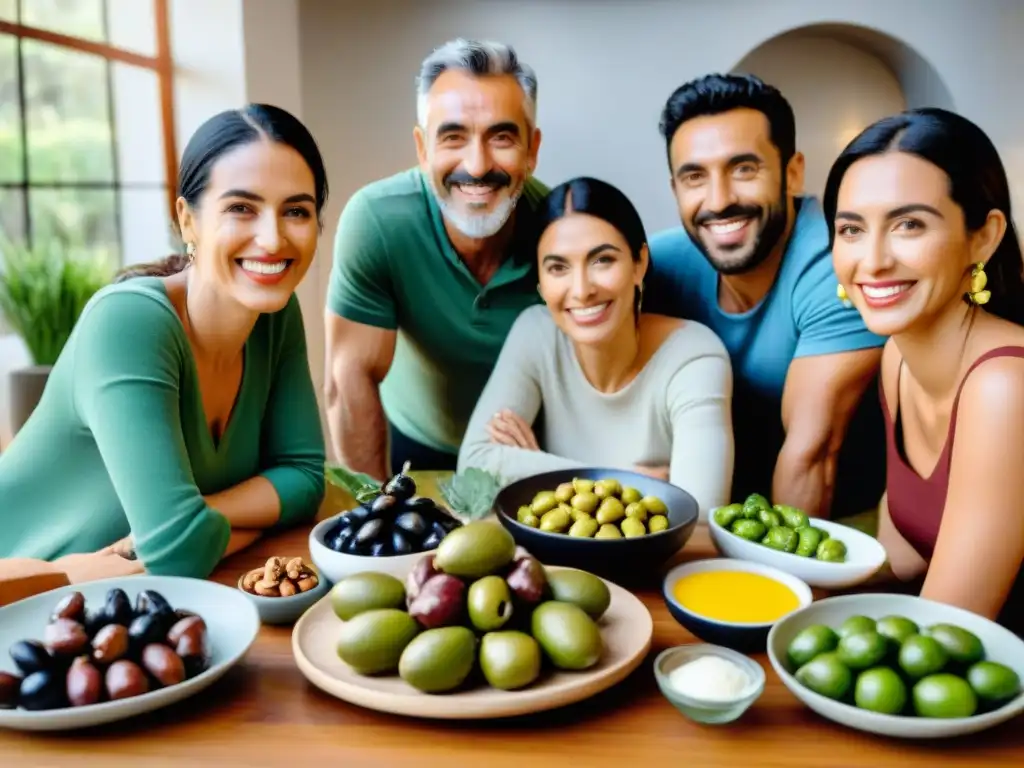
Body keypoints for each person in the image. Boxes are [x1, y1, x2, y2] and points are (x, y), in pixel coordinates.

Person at [0, 104, 328, 580]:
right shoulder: (127, 322)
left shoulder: (274, 315)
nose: (273, 239)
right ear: (187, 220)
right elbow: (177, 552)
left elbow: (304, 478)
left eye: (296, 211)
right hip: (23, 599)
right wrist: (202, 530)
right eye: (241, 208)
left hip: (127, 601)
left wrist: (201, 516)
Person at [643, 73, 886, 519]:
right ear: (675, 188)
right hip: (715, 512)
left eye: (744, 169)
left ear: (792, 174)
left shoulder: (835, 265)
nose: (719, 200)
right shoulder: (658, 263)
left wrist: (769, 562)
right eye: (694, 177)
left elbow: (811, 457)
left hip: (839, 527)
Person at [825, 107, 1024, 633]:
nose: (872, 261)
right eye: (851, 229)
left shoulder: (1007, 386)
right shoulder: (897, 356)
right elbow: (904, 557)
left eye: (908, 225)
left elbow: (945, 632)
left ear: (984, 237)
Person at [324, 38, 548, 481]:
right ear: (423, 149)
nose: (477, 165)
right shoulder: (377, 221)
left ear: (532, 150)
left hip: (529, 449)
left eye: (501, 137)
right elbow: (349, 380)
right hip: (415, 443)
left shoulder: (561, 230)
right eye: (453, 137)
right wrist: (376, 505)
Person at [458, 177, 734, 519]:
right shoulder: (536, 332)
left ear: (639, 263)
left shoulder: (694, 356)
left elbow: (699, 515)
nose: (582, 289)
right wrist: (625, 480)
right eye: (558, 267)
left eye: (602, 260)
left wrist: (533, 467)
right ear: (540, 283)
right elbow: (474, 467)